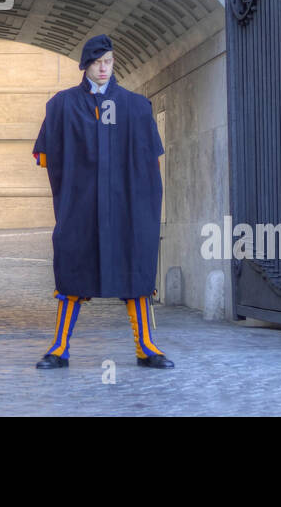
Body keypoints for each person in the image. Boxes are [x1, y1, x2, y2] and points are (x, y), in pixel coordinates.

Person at [32, 34, 174, 369]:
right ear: (85, 66)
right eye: (97, 62)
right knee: (72, 271)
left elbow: (152, 161)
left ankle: (147, 348)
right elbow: (44, 156)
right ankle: (59, 349)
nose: (103, 68)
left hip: (126, 209)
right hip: (81, 209)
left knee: (135, 271)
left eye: (108, 61)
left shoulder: (136, 107)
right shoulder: (62, 106)